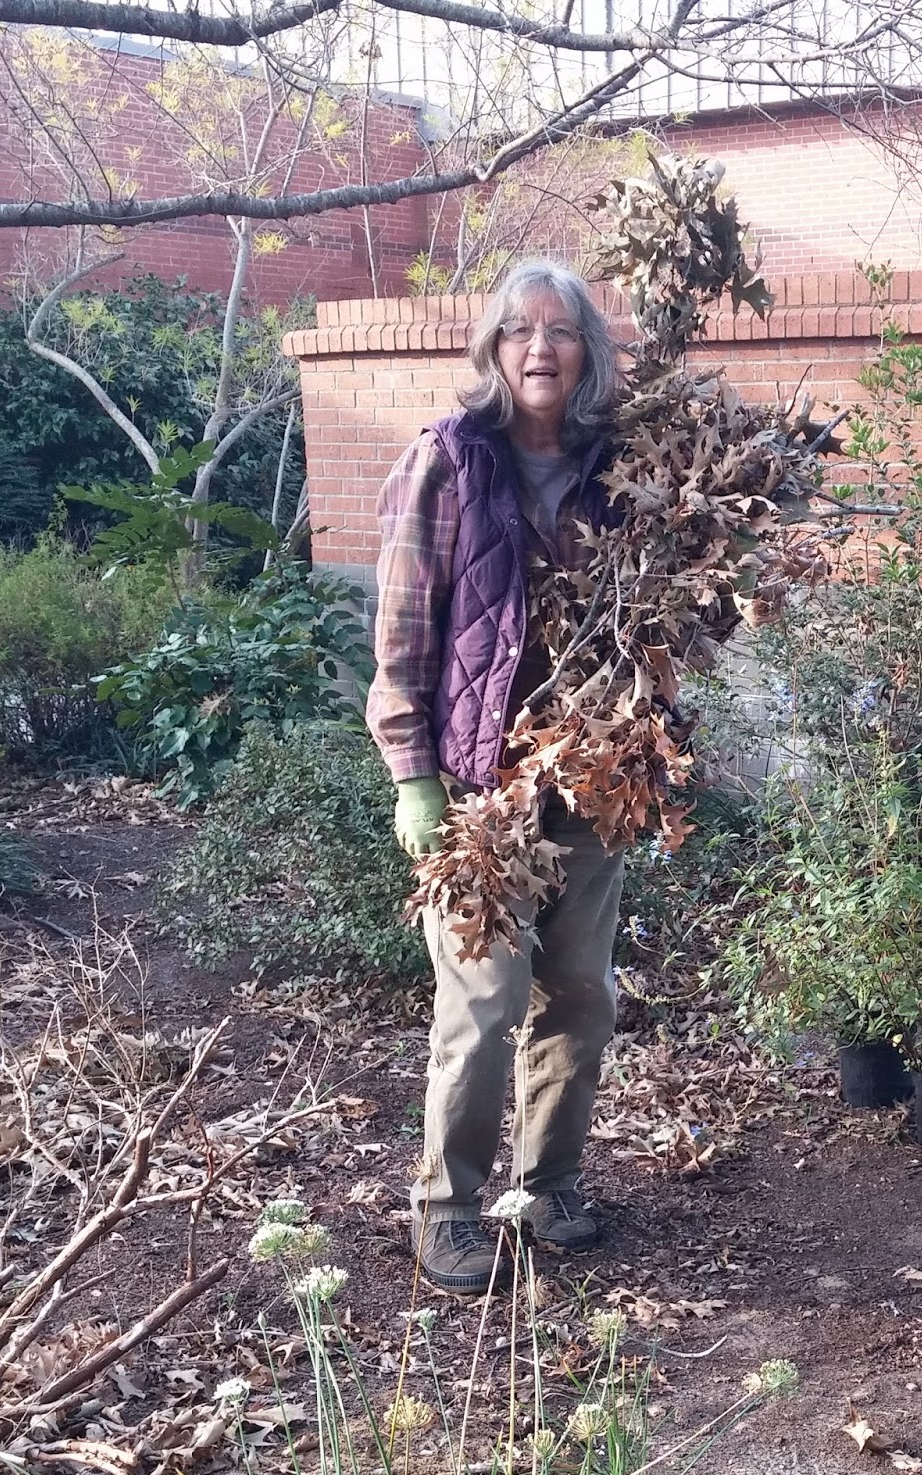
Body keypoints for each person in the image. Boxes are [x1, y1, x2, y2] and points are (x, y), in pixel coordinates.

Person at [366, 260, 624, 1295]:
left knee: (581, 995)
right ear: (492, 348)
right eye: (518, 330)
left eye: (560, 331)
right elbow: (402, 629)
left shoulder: (623, 466)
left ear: (586, 351)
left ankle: (548, 1183)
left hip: (591, 776)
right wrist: (412, 773)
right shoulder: (447, 460)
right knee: (483, 1000)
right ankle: (444, 1208)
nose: (539, 348)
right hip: (478, 785)